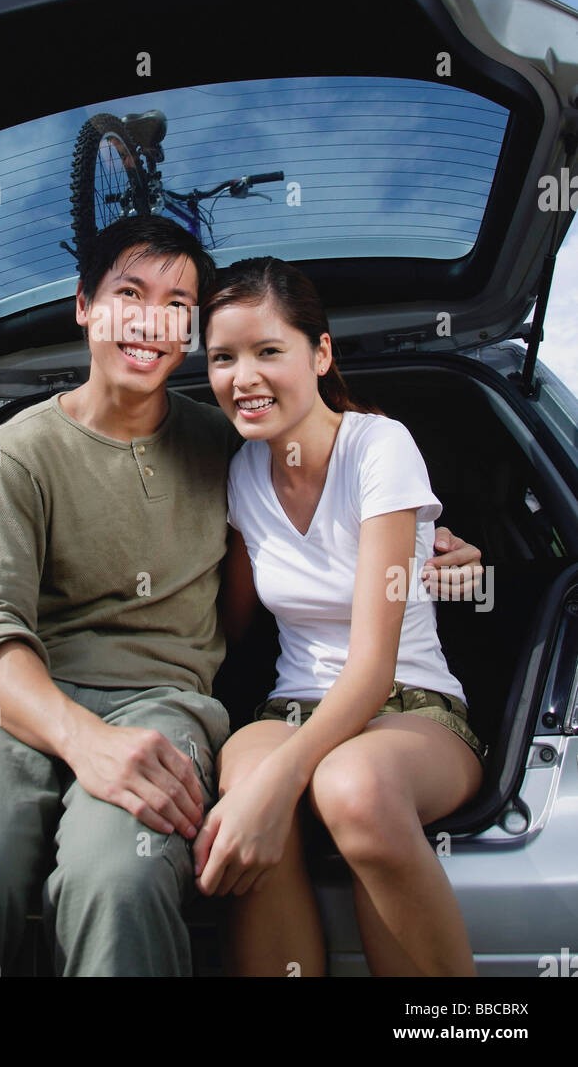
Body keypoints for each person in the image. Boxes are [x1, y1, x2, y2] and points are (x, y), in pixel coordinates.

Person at [0, 217, 481, 978]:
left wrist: (435, 547)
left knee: (122, 881)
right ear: (85, 306)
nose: (154, 322)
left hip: (187, 706)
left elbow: (337, 499)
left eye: (177, 305)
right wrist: (86, 741)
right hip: (31, 710)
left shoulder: (235, 446)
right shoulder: (24, 453)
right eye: (131, 293)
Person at [192, 256, 485, 977]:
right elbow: (229, 627)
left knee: (350, 788)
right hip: (290, 704)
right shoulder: (241, 473)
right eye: (223, 357)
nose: (243, 377)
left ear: (320, 354)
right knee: (243, 767)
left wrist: (279, 783)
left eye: (269, 351)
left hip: (405, 707)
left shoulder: (379, 447)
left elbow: (372, 665)